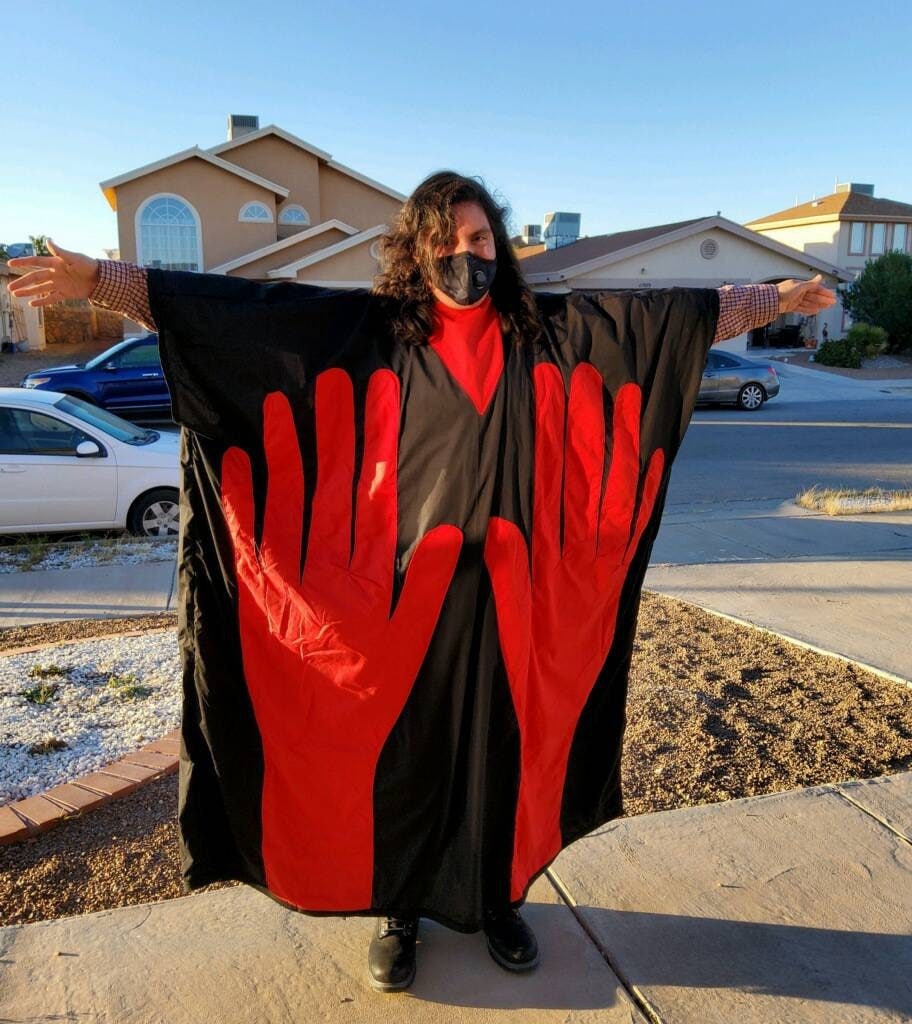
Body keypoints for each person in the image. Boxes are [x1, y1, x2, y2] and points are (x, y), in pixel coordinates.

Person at [8, 172, 835, 992]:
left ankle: (499, 899)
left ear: (499, 245)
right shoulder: (368, 333)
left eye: (477, 239)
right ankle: (398, 908)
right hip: (399, 598)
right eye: (444, 243)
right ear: (415, 253)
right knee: (404, 759)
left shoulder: (548, 332)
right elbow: (232, 314)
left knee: (501, 758)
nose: (463, 257)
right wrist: (104, 281)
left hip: (512, 602)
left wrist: (775, 300)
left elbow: (669, 319)